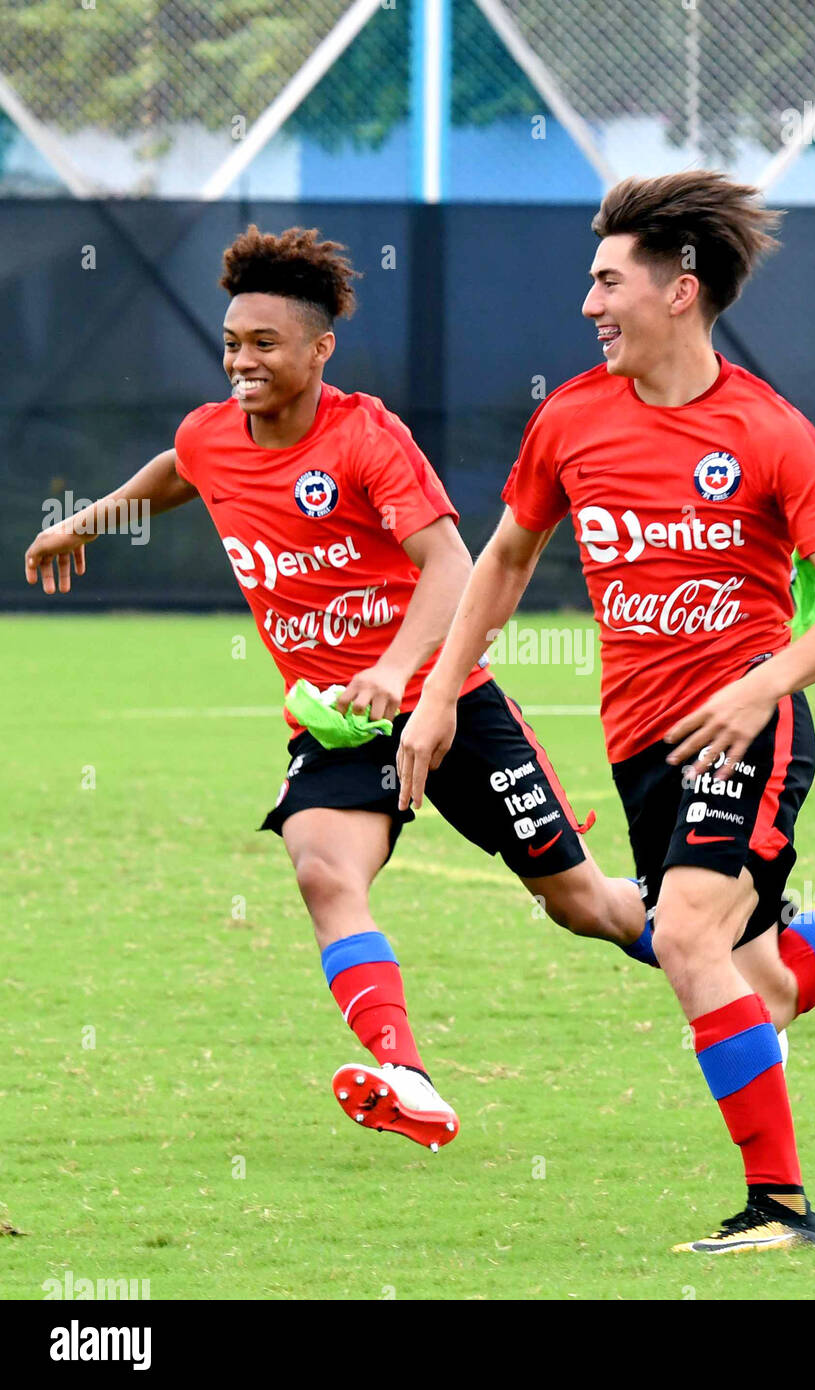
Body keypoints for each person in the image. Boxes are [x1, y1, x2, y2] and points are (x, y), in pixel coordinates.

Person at [396, 172, 815, 1254]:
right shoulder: (569, 418)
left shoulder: (768, 431)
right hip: (641, 744)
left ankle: (780, 1207)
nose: (588, 304)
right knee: (758, 987)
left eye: (607, 282)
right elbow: (503, 559)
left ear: (678, 289)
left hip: (749, 730)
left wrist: (758, 686)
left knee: (684, 935)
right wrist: (438, 693)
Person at [23, 224, 651, 1153]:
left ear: (320, 350)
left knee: (584, 906)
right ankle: (406, 1076)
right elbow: (178, 470)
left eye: (264, 344)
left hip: (446, 704)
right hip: (339, 725)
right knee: (323, 871)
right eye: (232, 343)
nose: (242, 361)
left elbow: (451, 564)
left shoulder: (364, 438)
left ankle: (727, 948)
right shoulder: (211, 435)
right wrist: (86, 523)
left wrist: (397, 671)